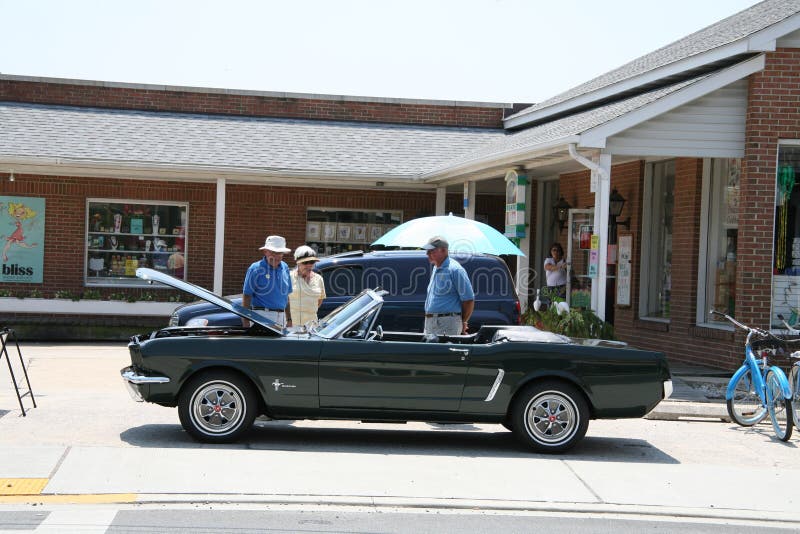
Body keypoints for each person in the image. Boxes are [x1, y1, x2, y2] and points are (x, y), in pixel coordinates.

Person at [423, 236, 475, 336]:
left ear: (443, 250)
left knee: (444, 347)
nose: (427, 254)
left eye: (431, 251)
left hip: (446, 323)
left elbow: (469, 300)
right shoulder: (436, 268)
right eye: (427, 251)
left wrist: (462, 321)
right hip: (431, 322)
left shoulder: (455, 269)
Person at [242, 235, 292, 328]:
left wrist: (289, 319)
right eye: (274, 252)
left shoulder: (285, 267)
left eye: (280, 253)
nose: (277, 256)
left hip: (282, 318)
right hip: (261, 315)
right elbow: (247, 295)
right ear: (265, 252)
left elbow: (286, 296)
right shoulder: (255, 268)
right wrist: (246, 322)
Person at [288, 245, 326, 327]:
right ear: (297, 262)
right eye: (305, 262)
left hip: (312, 327)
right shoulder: (289, 277)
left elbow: (319, 301)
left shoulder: (319, 279)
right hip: (292, 326)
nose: (309, 265)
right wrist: (288, 320)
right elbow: (284, 301)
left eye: (312, 262)